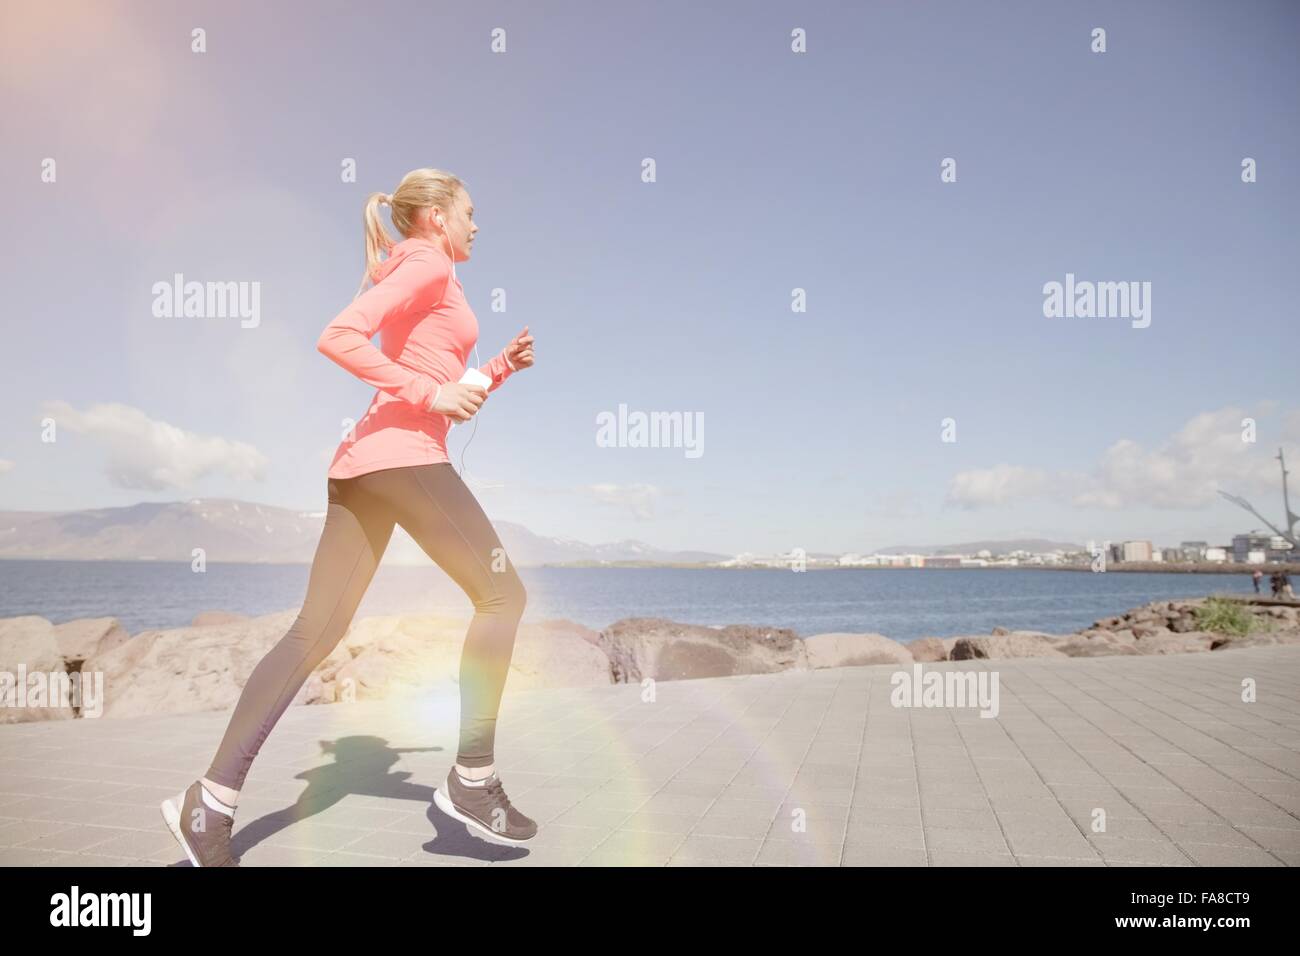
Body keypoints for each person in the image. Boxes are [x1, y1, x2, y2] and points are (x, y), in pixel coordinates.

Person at [161, 168, 538, 866]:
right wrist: (428, 394)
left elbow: (441, 387)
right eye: (469, 212)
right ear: (436, 215)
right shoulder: (428, 264)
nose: (477, 224)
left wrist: (497, 369)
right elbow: (339, 337)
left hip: (363, 467)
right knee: (503, 596)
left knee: (315, 631)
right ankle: (472, 780)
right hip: (402, 460)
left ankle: (209, 802)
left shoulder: (427, 273)